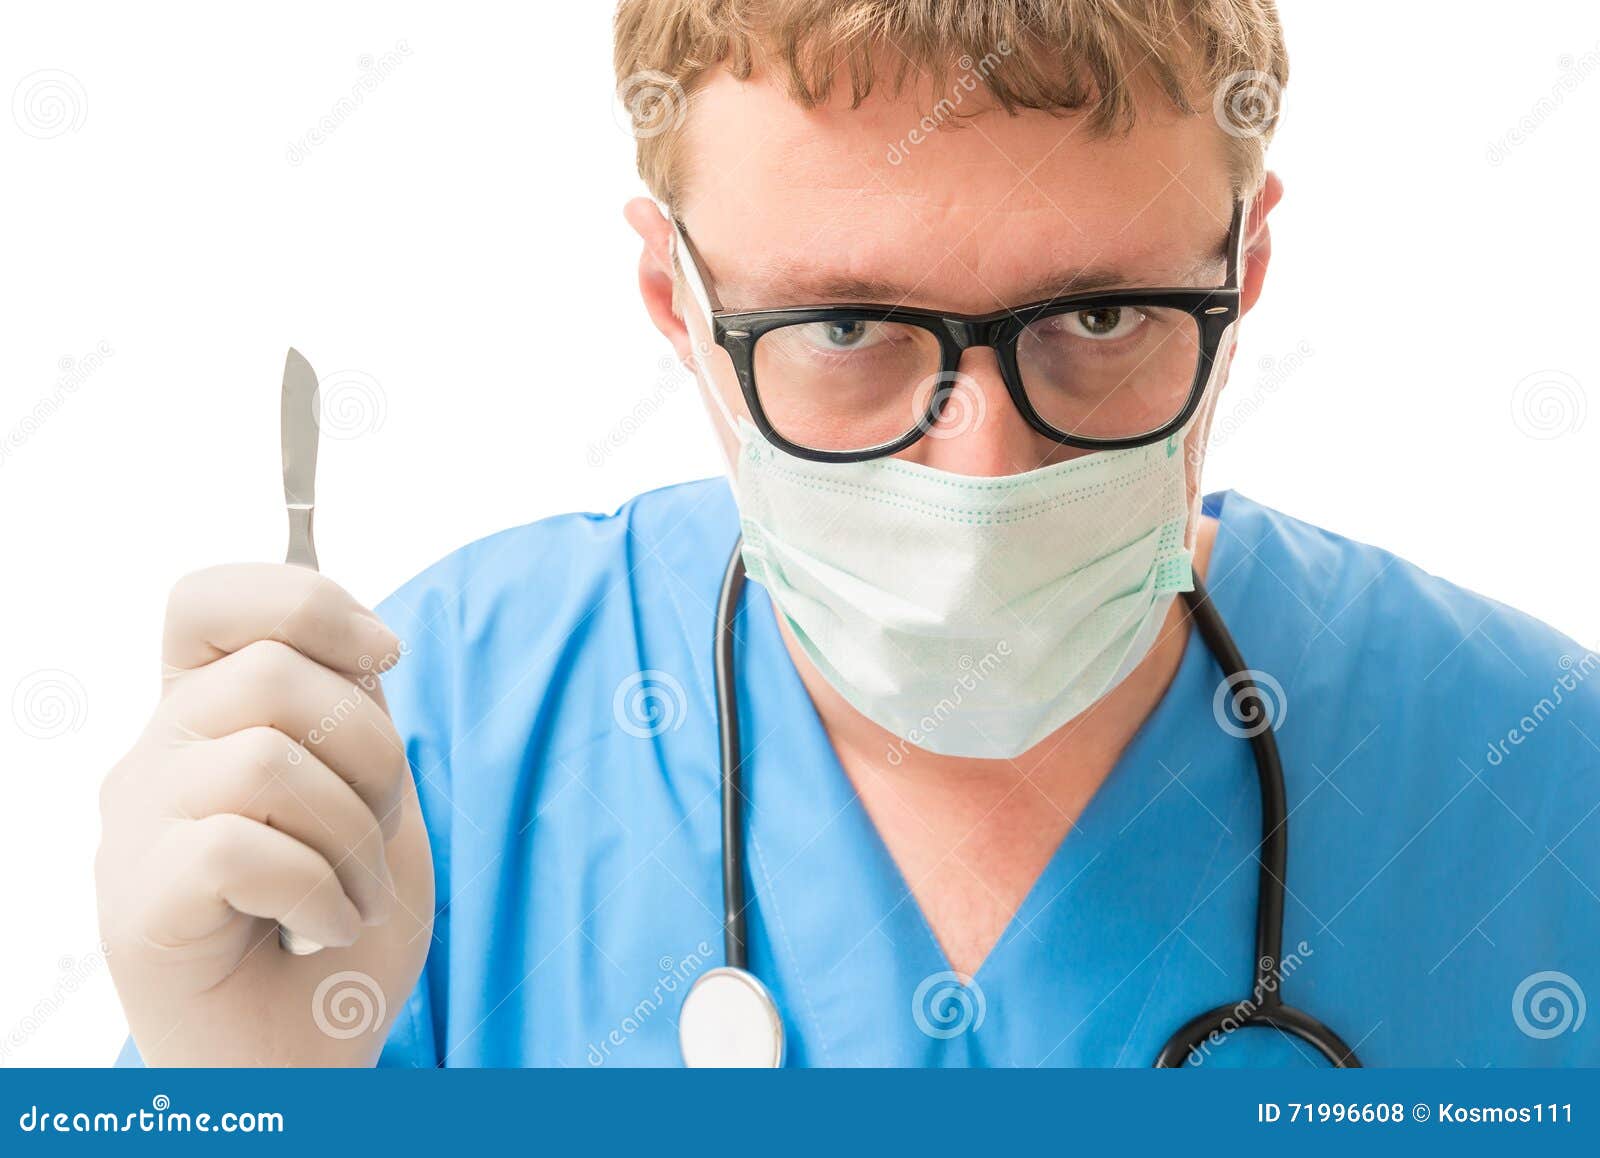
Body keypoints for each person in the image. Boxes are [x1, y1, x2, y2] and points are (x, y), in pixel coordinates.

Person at [100, 0, 1600, 1068]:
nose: (979, 470)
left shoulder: (1538, 780)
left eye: (1100, 317)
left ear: (1248, 264)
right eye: (841, 326)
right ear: (674, 302)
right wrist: (230, 1104)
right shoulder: (426, 750)